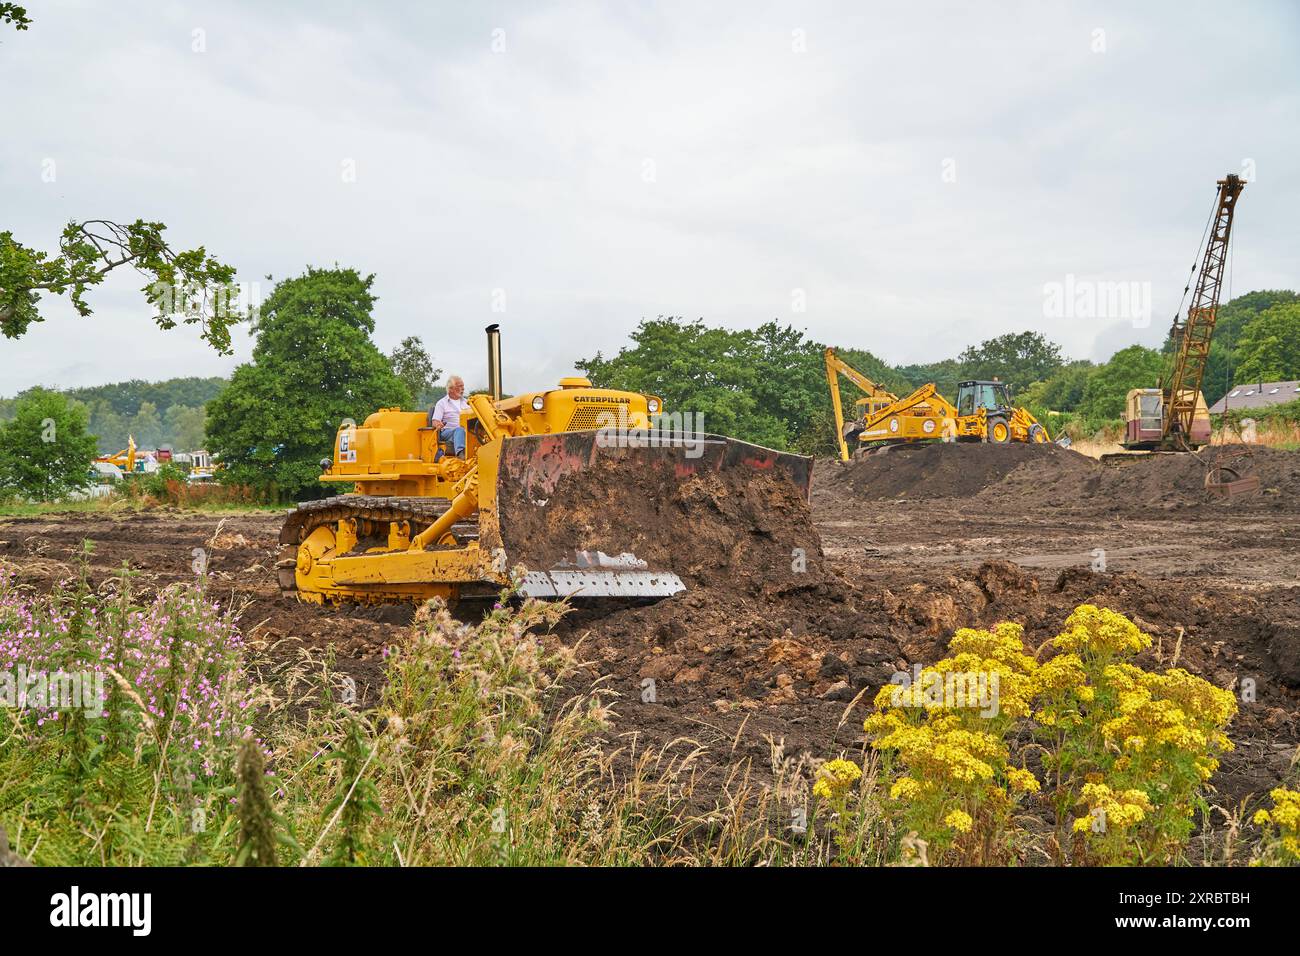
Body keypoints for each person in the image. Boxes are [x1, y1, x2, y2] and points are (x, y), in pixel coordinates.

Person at [430, 375, 470, 457]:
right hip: (448, 432)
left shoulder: (468, 402)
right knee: (459, 430)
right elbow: (435, 421)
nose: (463, 389)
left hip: (467, 431)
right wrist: (438, 424)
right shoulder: (441, 403)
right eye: (460, 386)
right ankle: (461, 454)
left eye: (463, 386)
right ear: (451, 389)